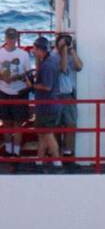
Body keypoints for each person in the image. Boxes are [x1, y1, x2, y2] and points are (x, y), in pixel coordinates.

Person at [0, 26, 32, 169]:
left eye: (13, 38)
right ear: (5, 38)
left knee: (18, 124)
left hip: (19, 92)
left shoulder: (24, 55)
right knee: (6, 123)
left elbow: (28, 74)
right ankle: (7, 150)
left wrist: (16, 77)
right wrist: (3, 77)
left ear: (16, 39)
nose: (11, 41)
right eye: (9, 38)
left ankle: (16, 152)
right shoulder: (0, 53)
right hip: (3, 91)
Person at [29, 37, 63, 171]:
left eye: (35, 49)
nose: (32, 51)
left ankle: (57, 162)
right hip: (49, 105)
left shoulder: (48, 64)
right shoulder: (50, 61)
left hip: (47, 106)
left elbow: (47, 86)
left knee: (47, 133)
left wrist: (32, 85)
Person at [53, 33, 83, 167]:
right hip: (57, 96)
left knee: (70, 125)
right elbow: (63, 68)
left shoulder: (71, 55)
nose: (65, 44)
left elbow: (80, 66)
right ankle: (56, 154)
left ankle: (68, 153)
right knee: (57, 126)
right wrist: (64, 51)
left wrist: (72, 52)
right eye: (63, 42)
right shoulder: (53, 57)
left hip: (69, 95)